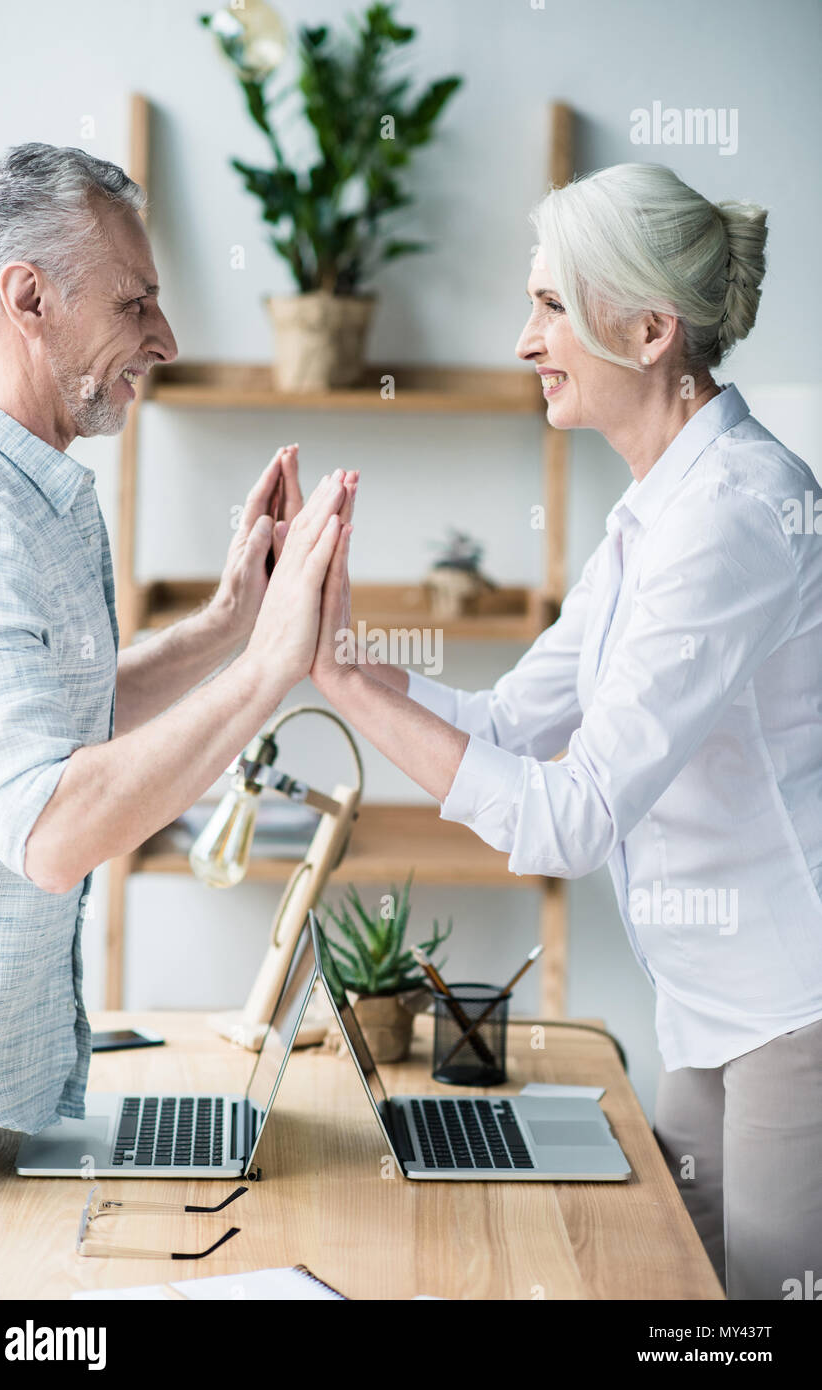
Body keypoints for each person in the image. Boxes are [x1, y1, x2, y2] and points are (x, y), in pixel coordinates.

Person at [309, 163, 822, 1301]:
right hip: (709, 1010)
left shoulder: (735, 516)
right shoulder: (654, 514)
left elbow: (570, 817)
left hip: (797, 1017)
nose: (524, 340)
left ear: (649, 329)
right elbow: (506, 723)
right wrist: (345, 664)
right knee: (683, 1298)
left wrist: (344, 693)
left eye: (550, 306)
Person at [0, 143, 355, 1175]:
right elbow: (49, 826)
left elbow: (67, 720)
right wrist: (269, 668)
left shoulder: (32, 482)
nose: (164, 339)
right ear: (29, 297)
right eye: (136, 303)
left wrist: (227, 623)